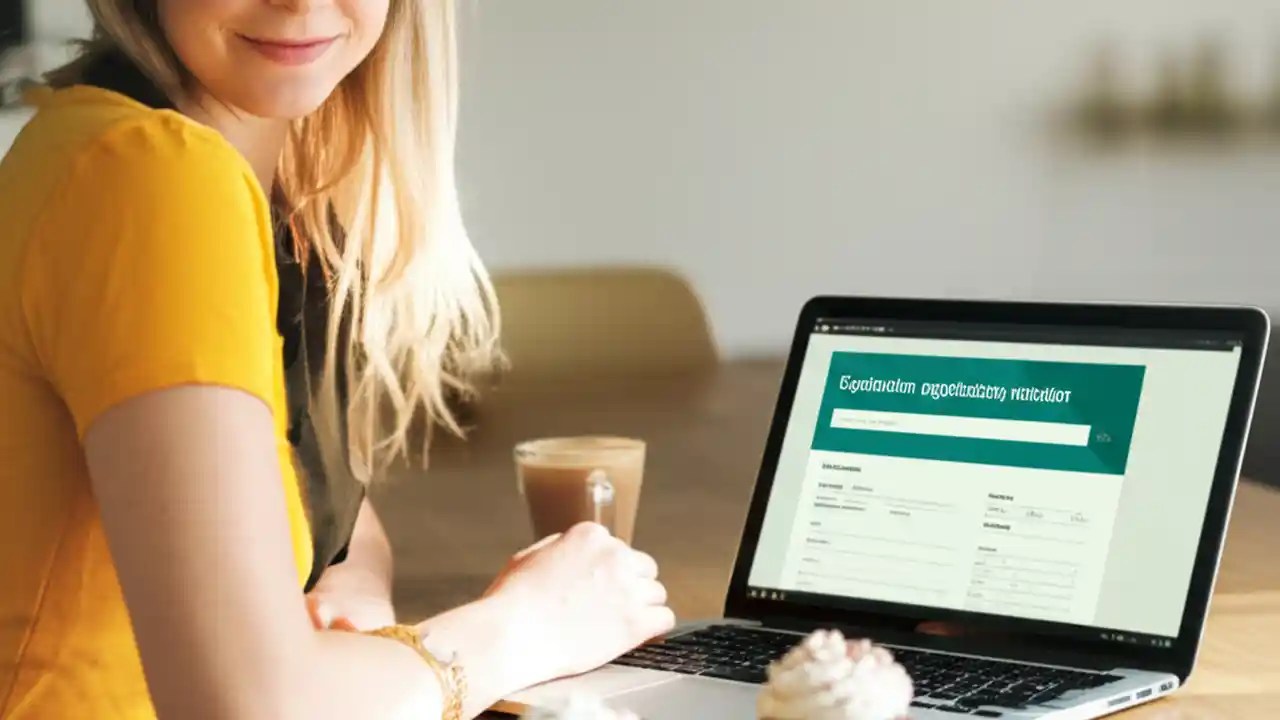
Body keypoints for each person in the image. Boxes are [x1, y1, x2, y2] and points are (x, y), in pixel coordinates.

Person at [0, 1, 674, 718]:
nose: (302, 2)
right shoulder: (149, 178)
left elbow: (306, 499)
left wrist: (349, 588)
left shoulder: (228, 162)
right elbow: (253, 708)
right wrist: (525, 628)